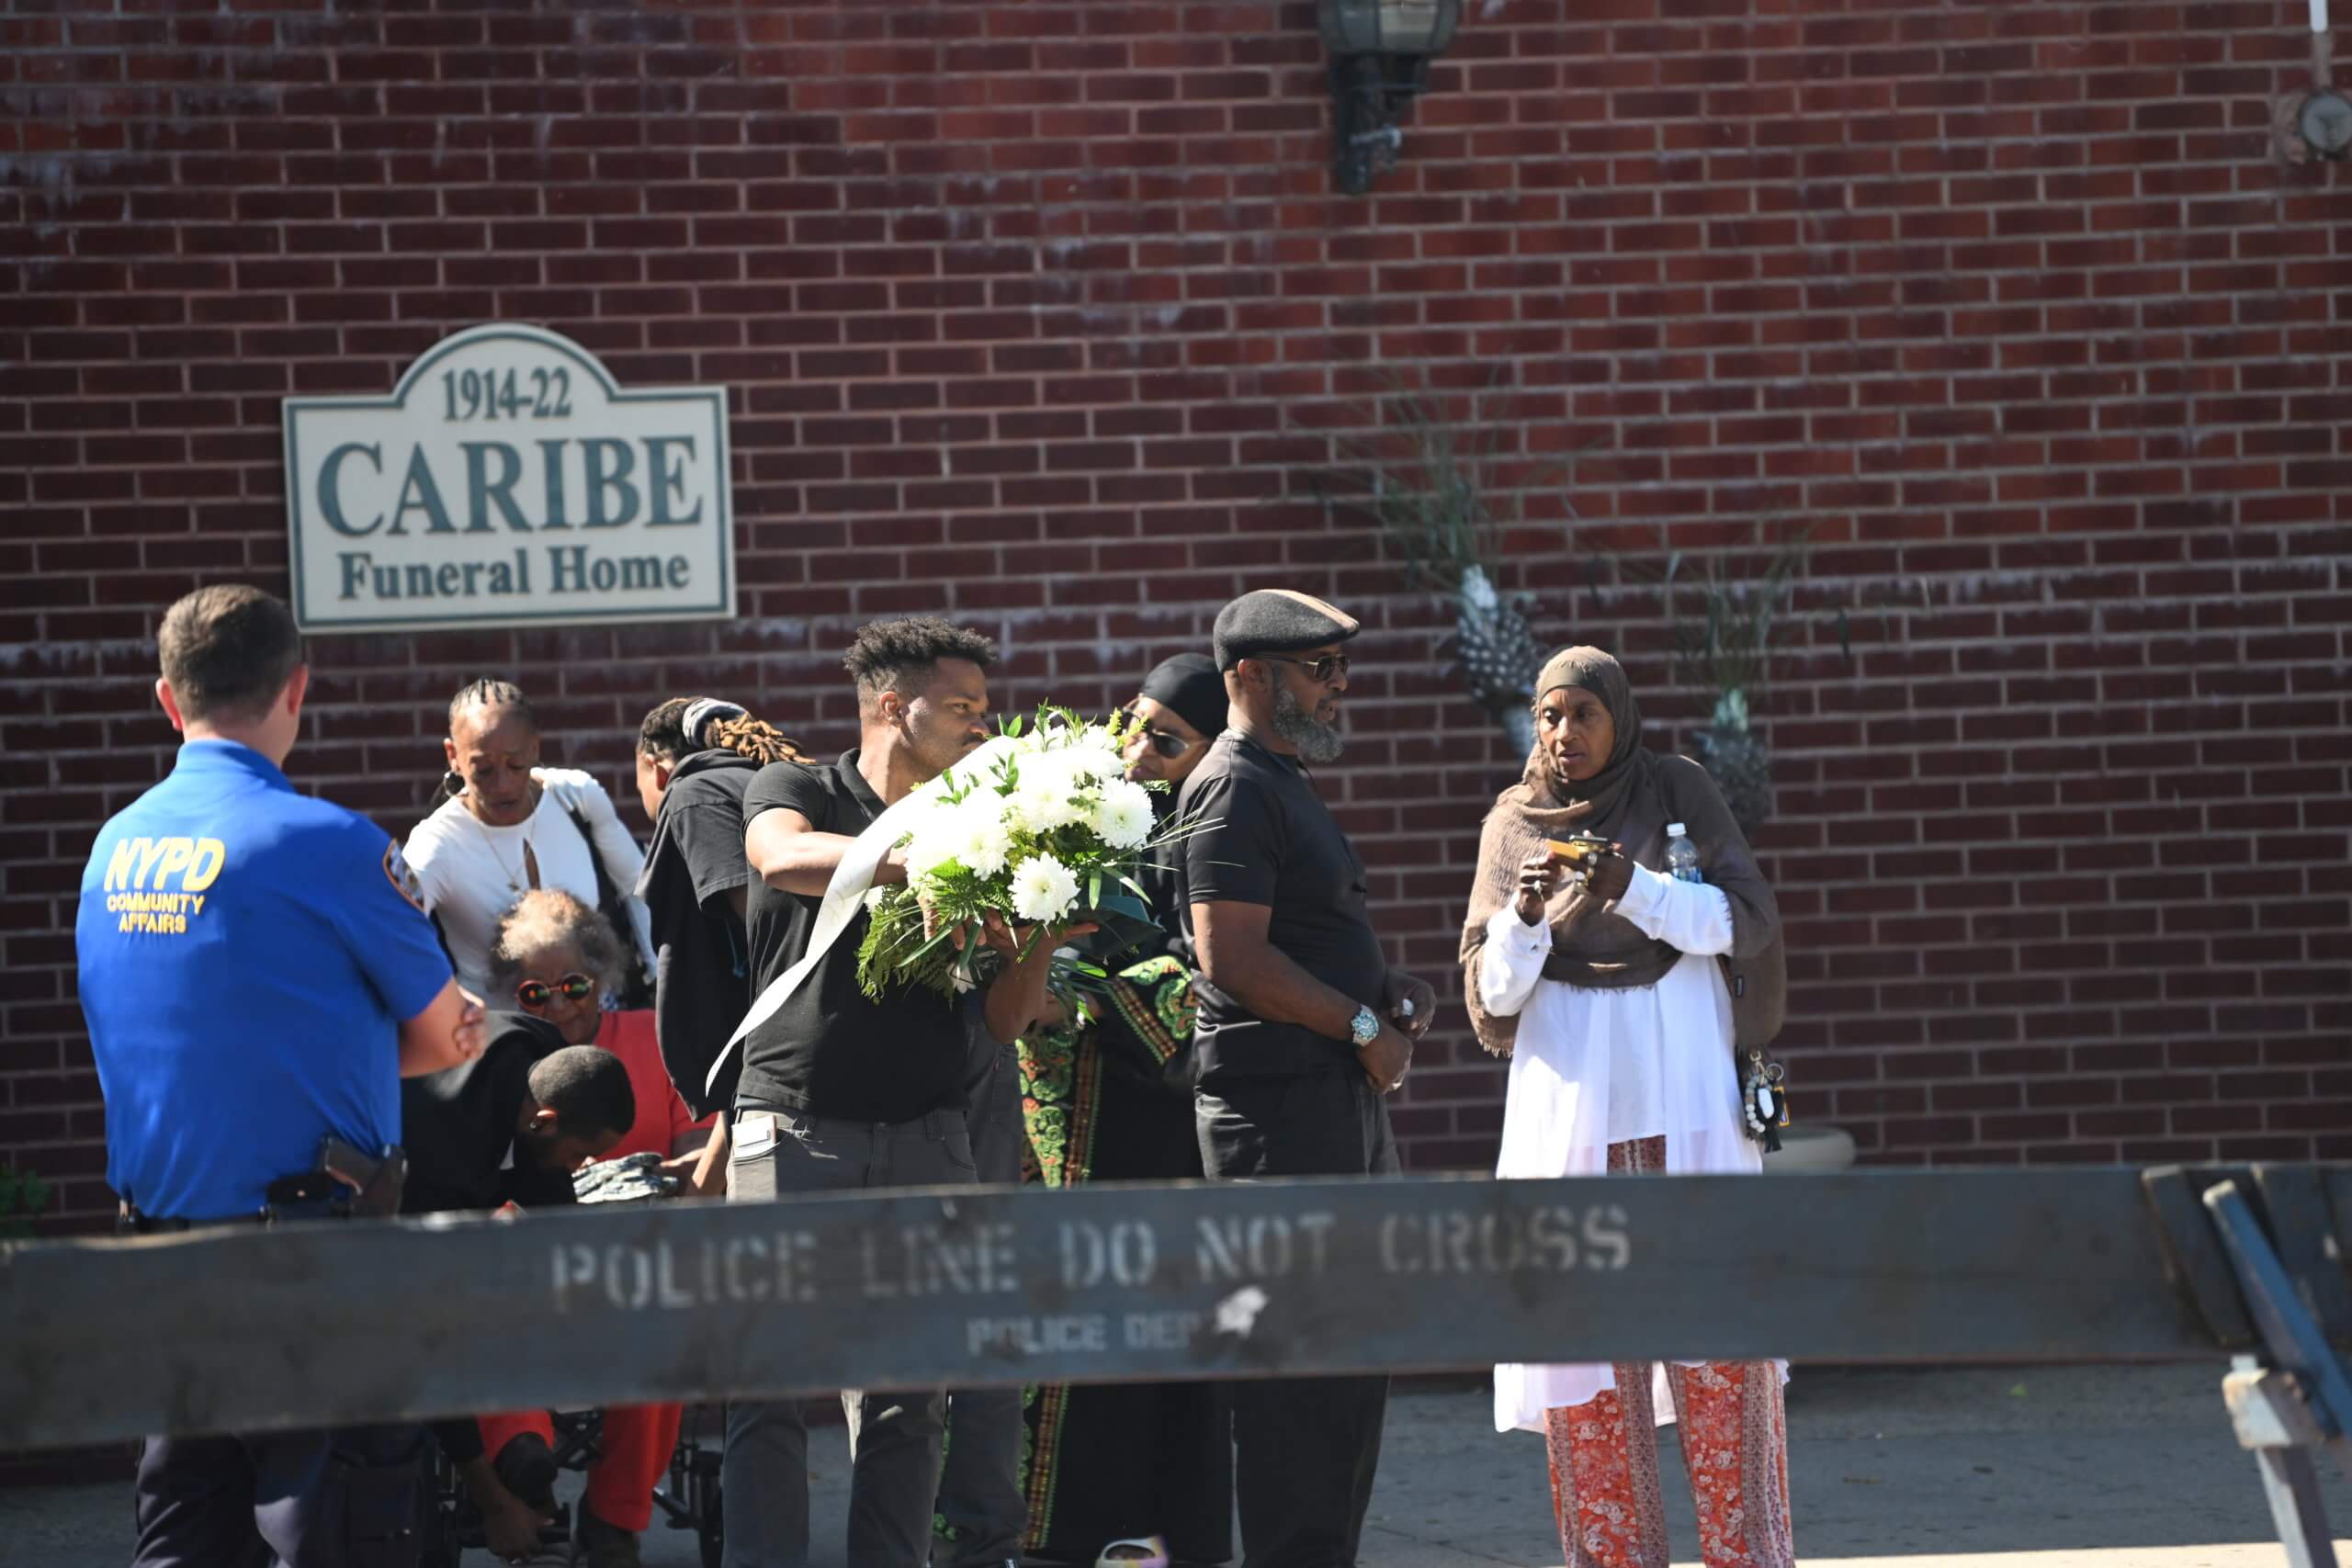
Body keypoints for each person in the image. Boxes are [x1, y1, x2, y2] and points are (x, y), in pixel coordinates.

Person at [74, 583, 486, 1568]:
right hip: (315, 1262)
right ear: (296, 688)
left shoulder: (112, 850)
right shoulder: (328, 845)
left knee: (184, 1534)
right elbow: (441, 1039)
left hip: (161, 1258)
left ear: (168, 702)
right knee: (338, 1528)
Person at [722, 616, 1070, 1568]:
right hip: (792, 1125)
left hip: (929, 1134)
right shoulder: (799, 785)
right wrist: (919, 861)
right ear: (891, 706)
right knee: (767, 1389)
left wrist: (1038, 919)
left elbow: (1004, 1022)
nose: (978, 727)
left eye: (983, 710)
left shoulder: (985, 825)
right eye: (959, 707)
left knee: (909, 1396)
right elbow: (777, 858)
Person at [1459, 647, 1795, 1568]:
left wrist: (1634, 890)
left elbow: (1743, 921)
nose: (1562, 734)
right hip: (1572, 1138)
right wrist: (1525, 922)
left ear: (1620, 717)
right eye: (1547, 715)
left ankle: (1749, 1555)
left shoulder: (1676, 791)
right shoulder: (1513, 825)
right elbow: (1490, 997)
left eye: (1582, 715)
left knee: (1722, 1362)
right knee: (1590, 1375)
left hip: (1687, 1121)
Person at [1177, 591, 1437, 1568]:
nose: (1339, 689)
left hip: (1325, 1105)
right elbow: (1228, 957)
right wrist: (1362, 1021)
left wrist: (1383, 986)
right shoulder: (1233, 783)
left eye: (1340, 669)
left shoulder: (1280, 778)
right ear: (1250, 675)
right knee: (1299, 1387)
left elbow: (1292, 941)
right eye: (1318, 670)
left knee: (1344, 1376)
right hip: (1276, 1118)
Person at [1014, 651, 1234, 1566]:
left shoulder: (1213, 833)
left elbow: (1211, 973)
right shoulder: (1078, 817)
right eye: (1133, 723)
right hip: (1057, 1127)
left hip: (1161, 1136)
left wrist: (1089, 996)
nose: (1138, 750)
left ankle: (1165, 1539)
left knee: (1164, 1353)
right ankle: (1059, 1542)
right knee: (1063, 1342)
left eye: (1168, 739)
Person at [401, 1012, 638, 1566]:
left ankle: (526, 1464)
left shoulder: (538, 1055)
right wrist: (493, 1502)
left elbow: (550, 1192)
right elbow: (425, 1345)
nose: (581, 1168)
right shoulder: (444, 1162)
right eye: (582, 1156)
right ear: (545, 1122)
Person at [403, 678, 656, 1005]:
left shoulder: (576, 797)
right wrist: (457, 1005)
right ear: (453, 755)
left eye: (516, 764)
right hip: (504, 1040)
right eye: (483, 770)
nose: (503, 784)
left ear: (535, 747)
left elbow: (639, 886)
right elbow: (393, 936)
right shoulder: (435, 844)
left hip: (596, 1024)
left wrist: (658, 979)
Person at [633, 695, 805, 1120]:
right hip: (774, 1071)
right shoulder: (775, 785)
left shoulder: (694, 795)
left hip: (783, 1076)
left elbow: (766, 924)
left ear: (655, 770)